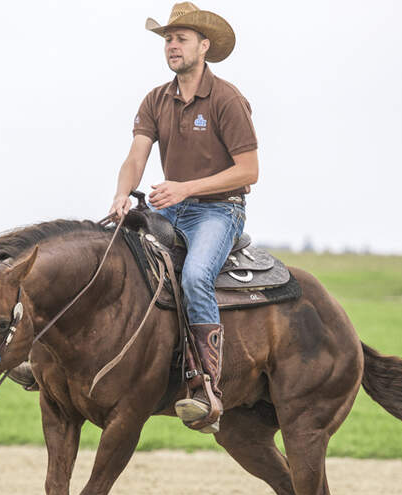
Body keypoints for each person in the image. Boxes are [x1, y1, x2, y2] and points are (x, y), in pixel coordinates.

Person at [108, 2, 259, 433]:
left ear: (204, 46)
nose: (172, 46)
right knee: (112, 250)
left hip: (219, 210)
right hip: (170, 206)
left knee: (194, 276)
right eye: (168, 39)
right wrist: (122, 194)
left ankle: (206, 388)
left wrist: (186, 188)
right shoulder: (156, 99)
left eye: (181, 39)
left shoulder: (227, 99)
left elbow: (249, 171)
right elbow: (136, 156)